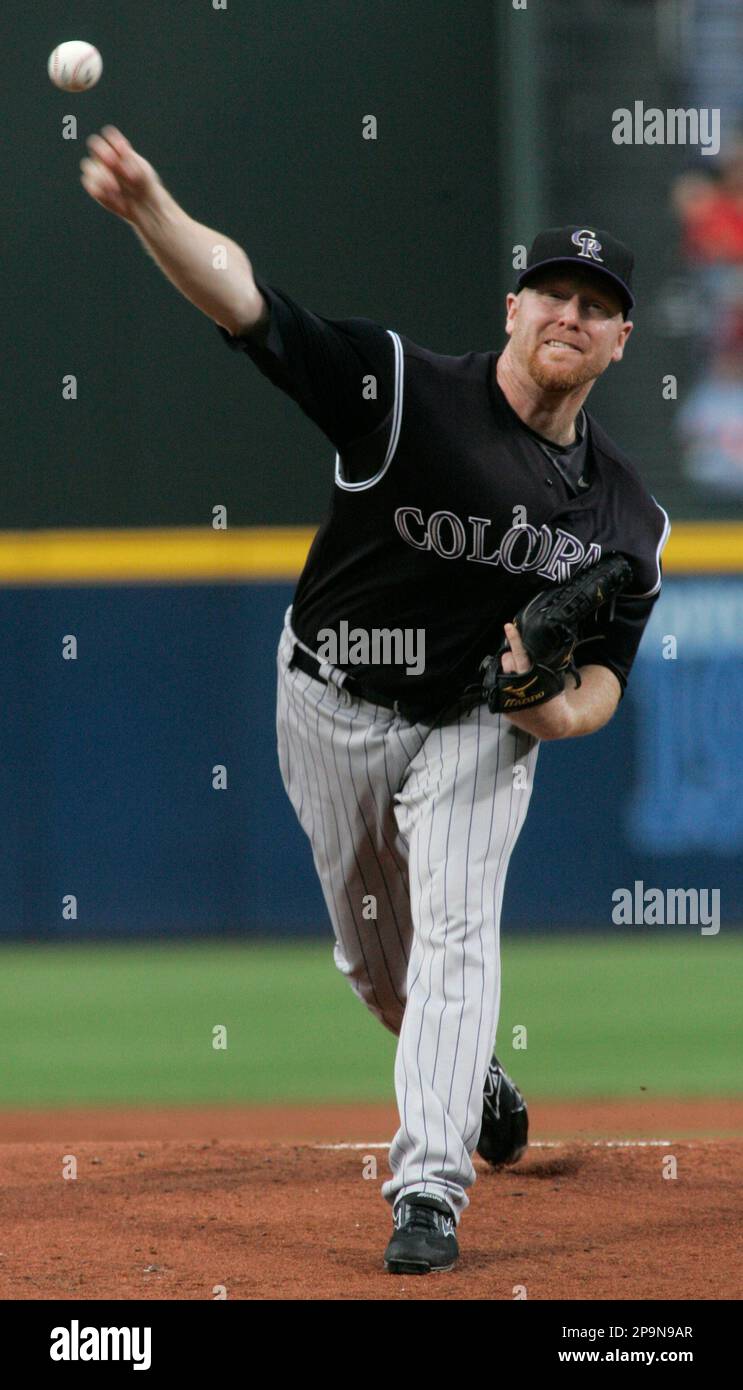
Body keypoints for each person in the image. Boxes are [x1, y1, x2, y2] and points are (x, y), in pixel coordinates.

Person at [81, 128, 670, 1275]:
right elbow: (249, 304)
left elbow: (605, 677)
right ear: (511, 308)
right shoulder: (401, 392)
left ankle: (427, 1190)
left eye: (594, 304)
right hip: (329, 701)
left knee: (457, 932)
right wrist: (153, 206)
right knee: (378, 971)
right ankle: (469, 1075)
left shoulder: (623, 517)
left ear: (619, 340)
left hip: (475, 722)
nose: (569, 312)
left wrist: (550, 716)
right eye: (552, 289)